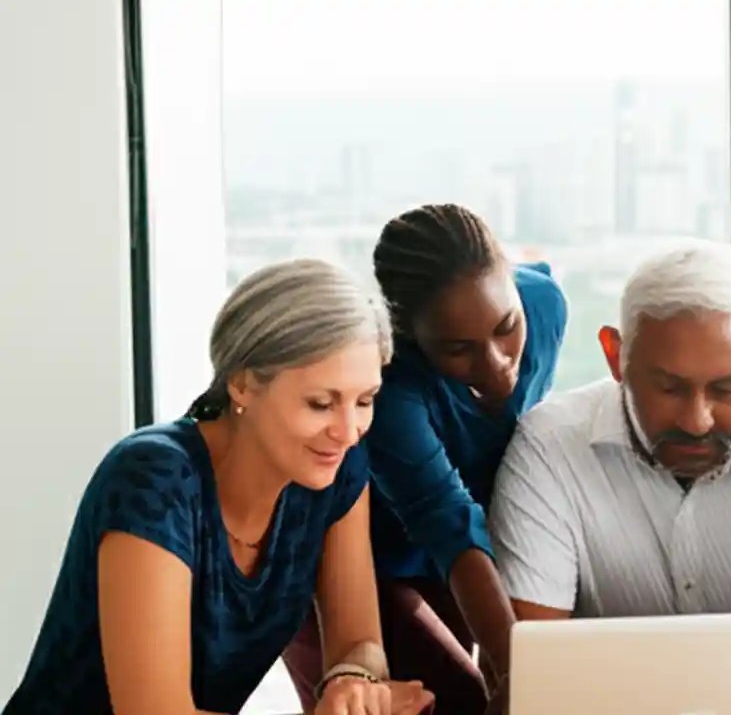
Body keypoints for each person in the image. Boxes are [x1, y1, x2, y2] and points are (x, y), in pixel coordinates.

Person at [3, 259, 434, 715]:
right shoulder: (152, 478)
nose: (348, 431)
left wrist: (354, 678)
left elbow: (359, 640)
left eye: (364, 401)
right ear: (243, 384)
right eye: (321, 403)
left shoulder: (335, 468)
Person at [282, 204, 567, 715]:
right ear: (408, 336)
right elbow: (444, 516)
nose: (497, 365)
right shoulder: (391, 387)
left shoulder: (545, 307)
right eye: (458, 349)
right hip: (355, 564)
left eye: (506, 326)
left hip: (456, 561)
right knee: (455, 703)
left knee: (492, 695)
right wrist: (527, 673)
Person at [487, 241, 731, 621]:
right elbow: (532, 659)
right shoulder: (549, 448)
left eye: (725, 389)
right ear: (615, 356)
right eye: (669, 389)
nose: (696, 422)